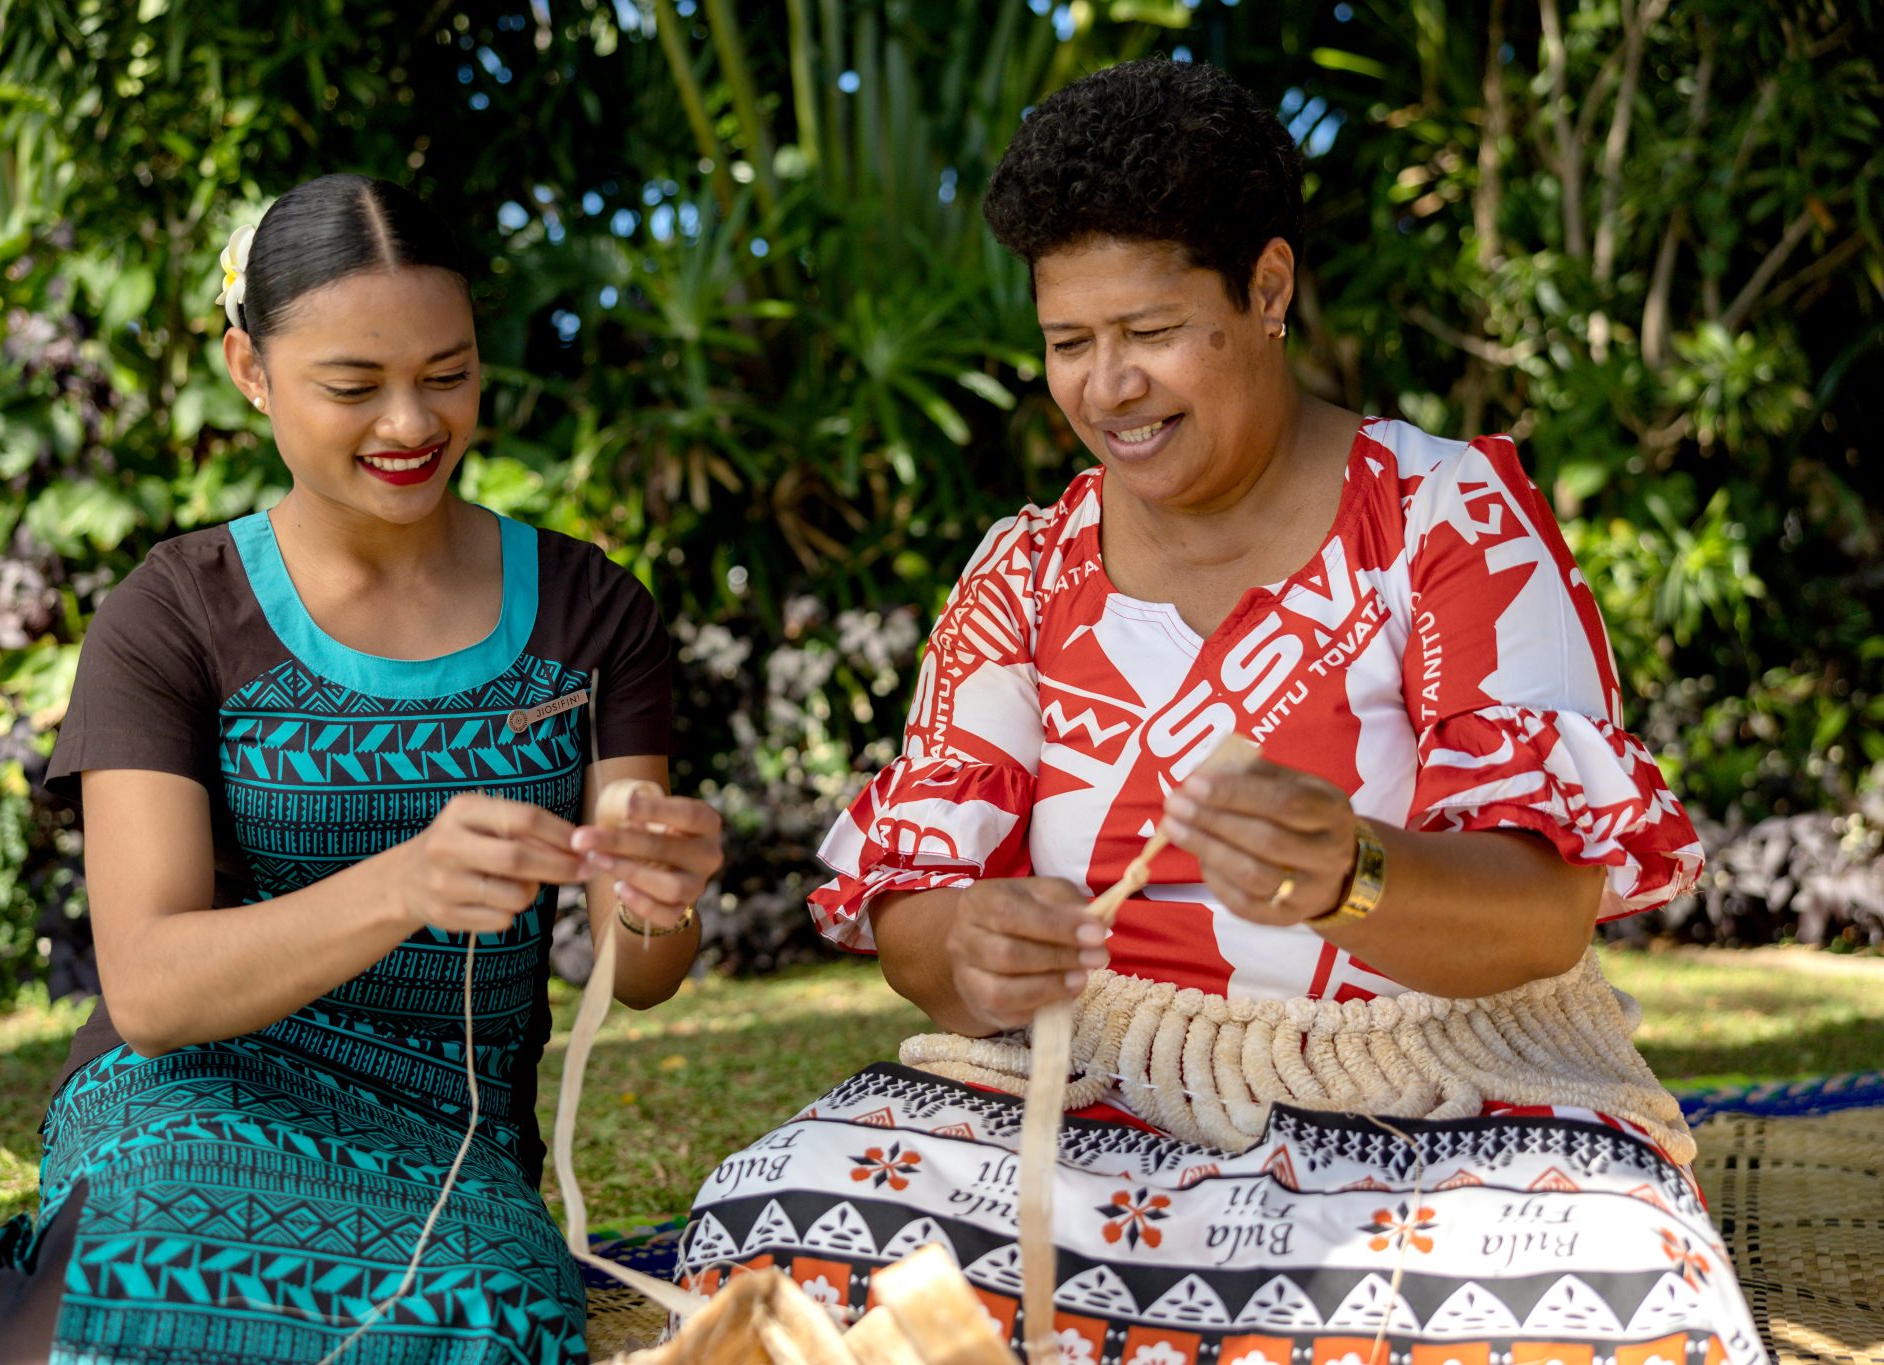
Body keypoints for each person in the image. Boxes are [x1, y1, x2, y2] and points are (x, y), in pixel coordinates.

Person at [676, 61, 1766, 1365]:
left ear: (1268, 290)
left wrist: (1351, 873)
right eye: (1067, 344)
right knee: (774, 1217)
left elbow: (1546, 913)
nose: (1107, 387)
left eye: (1147, 332)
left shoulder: (1450, 524)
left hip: (1430, 1093)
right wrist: (963, 939)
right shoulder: (1023, 575)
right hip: (1094, 1097)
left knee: (1608, 1287)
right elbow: (917, 912)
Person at [0, 173, 721, 1364]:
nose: (410, 425)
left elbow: (643, 968)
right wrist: (403, 885)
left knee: (481, 1330)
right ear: (249, 369)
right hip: (194, 1090)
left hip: (443, 1137)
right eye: (352, 387)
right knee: (154, 1292)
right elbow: (149, 990)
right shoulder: (177, 614)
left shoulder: (586, 610)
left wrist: (658, 894)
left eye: (447, 375)